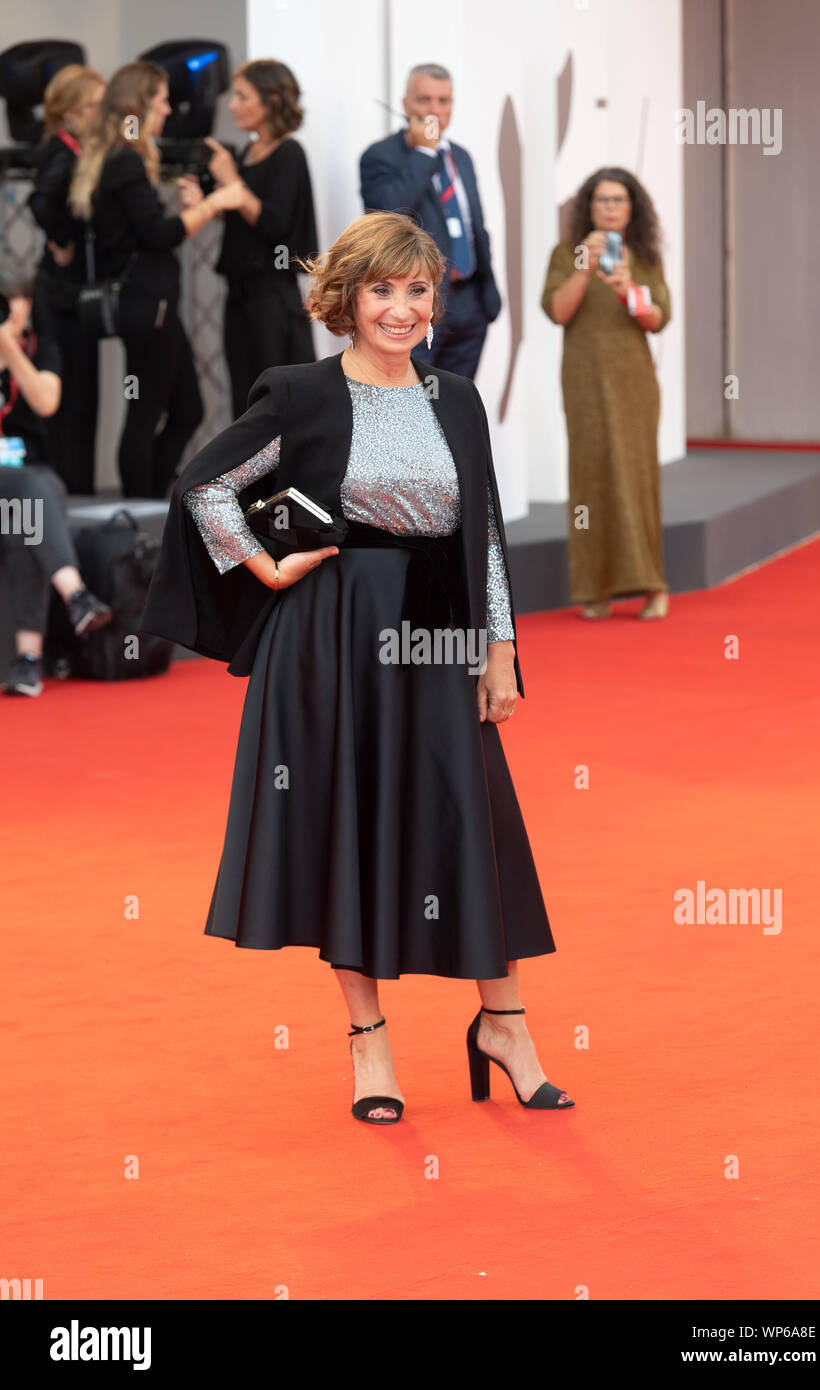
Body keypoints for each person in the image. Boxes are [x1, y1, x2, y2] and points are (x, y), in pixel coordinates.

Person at [139, 212, 574, 1125]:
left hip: (438, 627)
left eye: (418, 291)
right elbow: (204, 488)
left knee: (473, 817)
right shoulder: (302, 393)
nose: (402, 309)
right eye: (382, 290)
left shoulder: (454, 396)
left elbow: (481, 530)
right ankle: (369, 1046)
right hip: (333, 636)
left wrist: (501, 652)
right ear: (347, 297)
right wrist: (267, 562)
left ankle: (506, 1025)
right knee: (348, 824)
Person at [68, 61, 246, 499]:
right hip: (148, 307)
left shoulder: (117, 159)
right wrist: (212, 204)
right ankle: (141, 511)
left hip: (151, 304)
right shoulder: (125, 161)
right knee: (146, 411)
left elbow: (147, 230)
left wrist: (194, 207)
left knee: (187, 409)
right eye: (162, 100)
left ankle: (152, 501)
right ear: (139, 105)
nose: (168, 109)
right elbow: (160, 234)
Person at [541, 166, 672, 619]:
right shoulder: (567, 253)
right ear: (588, 208)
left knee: (637, 478)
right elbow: (558, 312)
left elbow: (656, 318)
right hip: (583, 381)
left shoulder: (645, 256)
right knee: (590, 476)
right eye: (602, 200)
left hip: (633, 380)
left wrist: (628, 290)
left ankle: (653, 586)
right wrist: (585, 267)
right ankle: (593, 589)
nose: (611, 208)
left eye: (619, 200)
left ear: (632, 209)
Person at [0, 270, 111, 697]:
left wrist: (9, 346)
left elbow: (46, 401)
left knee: (26, 517)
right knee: (31, 490)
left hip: (24, 487)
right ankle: (76, 595)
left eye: (19, 300)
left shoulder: (40, 350)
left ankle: (27, 661)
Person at [194, 59, 319, 419]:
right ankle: (252, 476)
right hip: (239, 294)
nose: (232, 105)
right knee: (245, 401)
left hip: (272, 297)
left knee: (278, 401)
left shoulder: (289, 154)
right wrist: (210, 205)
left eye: (241, 96)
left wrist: (232, 183)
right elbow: (244, 217)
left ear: (271, 101)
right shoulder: (247, 153)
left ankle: (288, 476)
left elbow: (274, 224)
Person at [360, 63, 501, 379]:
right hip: (414, 305)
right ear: (405, 104)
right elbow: (387, 217)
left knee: (456, 412)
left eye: (444, 101)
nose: (435, 110)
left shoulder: (461, 157)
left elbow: (474, 227)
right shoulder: (381, 156)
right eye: (424, 100)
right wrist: (424, 152)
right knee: (412, 408)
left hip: (469, 303)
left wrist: (487, 298)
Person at [27, 63, 105, 496]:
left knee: (82, 393)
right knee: (70, 393)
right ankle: (66, 487)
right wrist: (61, 239)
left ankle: (77, 485)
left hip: (74, 291)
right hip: (61, 293)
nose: (99, 113)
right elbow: (42, 201)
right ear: (72, 110)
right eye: (93, 106)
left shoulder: (76, 148)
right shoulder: (60, 149)